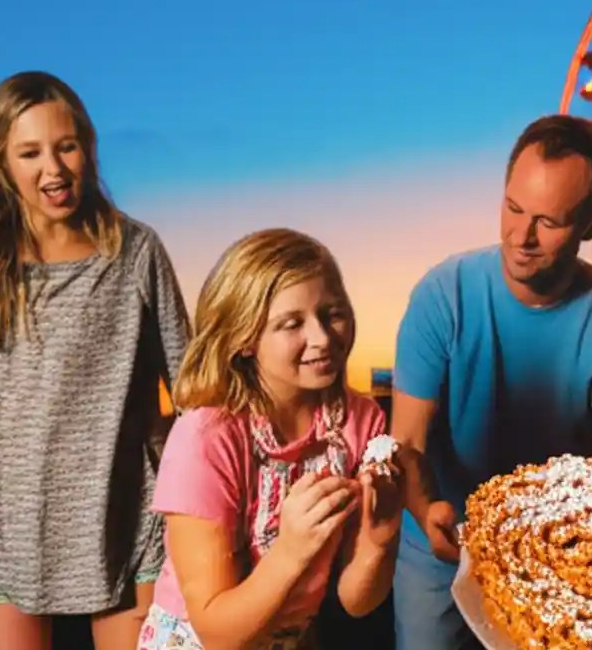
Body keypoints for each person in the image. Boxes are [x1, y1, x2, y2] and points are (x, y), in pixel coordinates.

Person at [0, 70, 192, 650]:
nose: (53, 168)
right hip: (5, 527)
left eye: (66, 146)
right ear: (0, 161)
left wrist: (198, 506)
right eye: (30, 153)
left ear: (88, 148)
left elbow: (194, 387)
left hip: (126, 520)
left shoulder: (136, 252)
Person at [390, 114, 592, 649]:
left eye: (549, 221)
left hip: (559, 557)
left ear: (591, 223)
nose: (521, 237)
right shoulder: (442, 295)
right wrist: (427, 512)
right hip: (440, 539)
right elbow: (406, 446)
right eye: (512, 208)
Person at [138, 228, 403, 650]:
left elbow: (356, 601)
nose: (322, 338)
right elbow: (216, 631)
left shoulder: (359, 422)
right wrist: (292, 550)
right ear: (243, 338)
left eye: (332, 312)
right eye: (291, 323)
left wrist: (380, 538)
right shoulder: (205, 439)